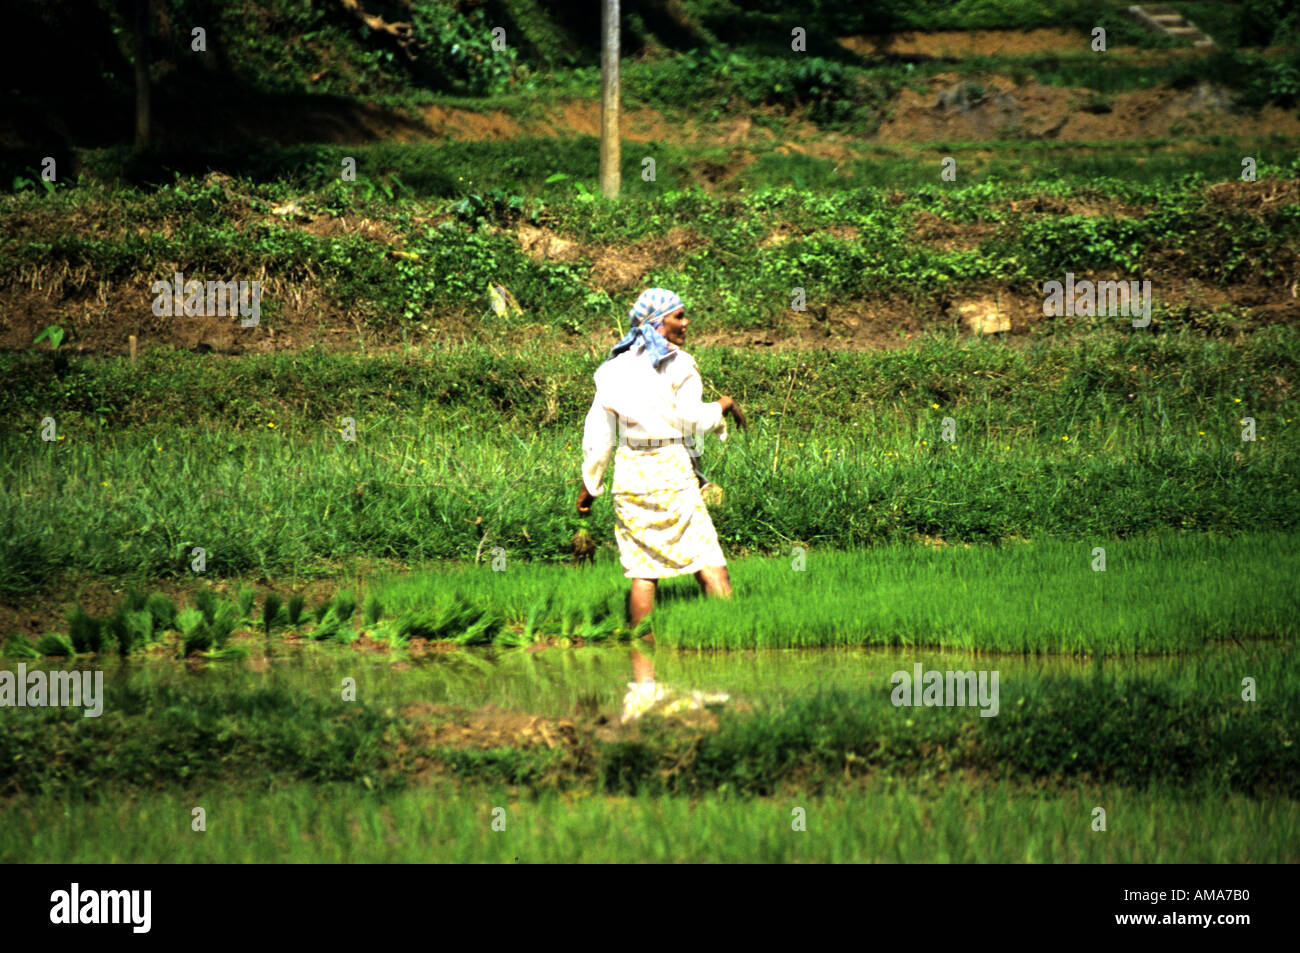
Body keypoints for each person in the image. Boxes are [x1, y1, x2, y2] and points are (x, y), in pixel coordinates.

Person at [575, 288, 747, 645]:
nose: (686, 323)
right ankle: (730, 642)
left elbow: (600, 436)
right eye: (679, 316)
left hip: (631, 471)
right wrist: (723, 405)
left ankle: (643, 656)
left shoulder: (611, 369)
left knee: (643, 568)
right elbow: (691, 420)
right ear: (658, 322)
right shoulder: (679, 364)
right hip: (671, 468)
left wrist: (590, 485)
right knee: (706, 557)